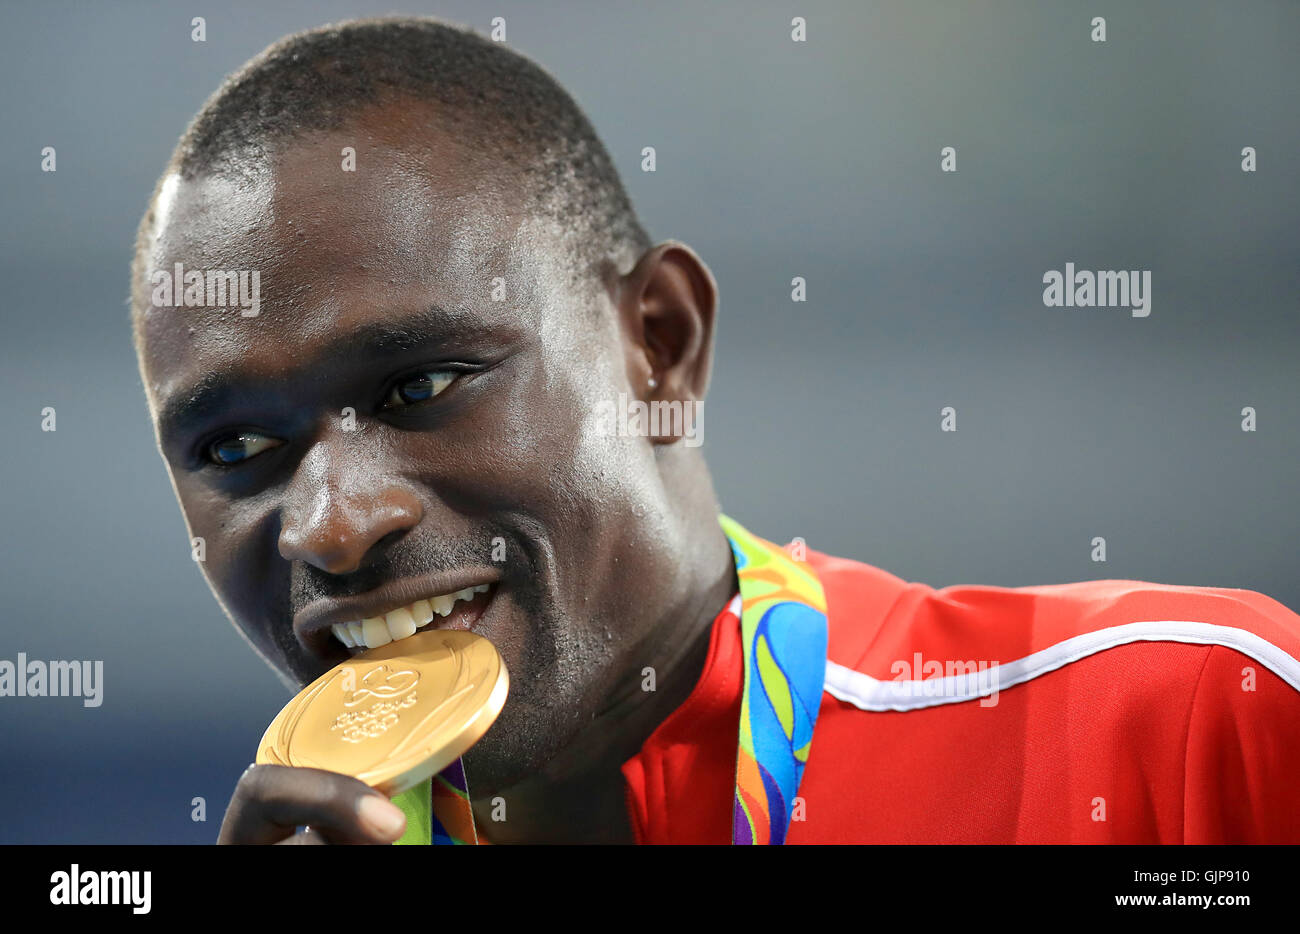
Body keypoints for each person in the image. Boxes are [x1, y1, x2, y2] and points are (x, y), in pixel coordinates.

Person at [129, 17, 1300, 844]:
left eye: (420, 384)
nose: (332, 525)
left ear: (661, 345)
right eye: (235, 450)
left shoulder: (1193, 726)